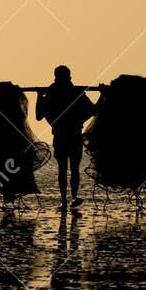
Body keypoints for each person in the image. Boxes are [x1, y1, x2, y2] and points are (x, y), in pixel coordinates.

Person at [35, 65, 94, 207]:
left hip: (66, 136)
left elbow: (38, 116)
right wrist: (40, 96)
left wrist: (39, 96)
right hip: (70, 136)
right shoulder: (71, 92)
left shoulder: (55, 93)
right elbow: (93, 110)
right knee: (71, 169)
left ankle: (68, 199)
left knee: (66, 169)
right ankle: (69, 198)